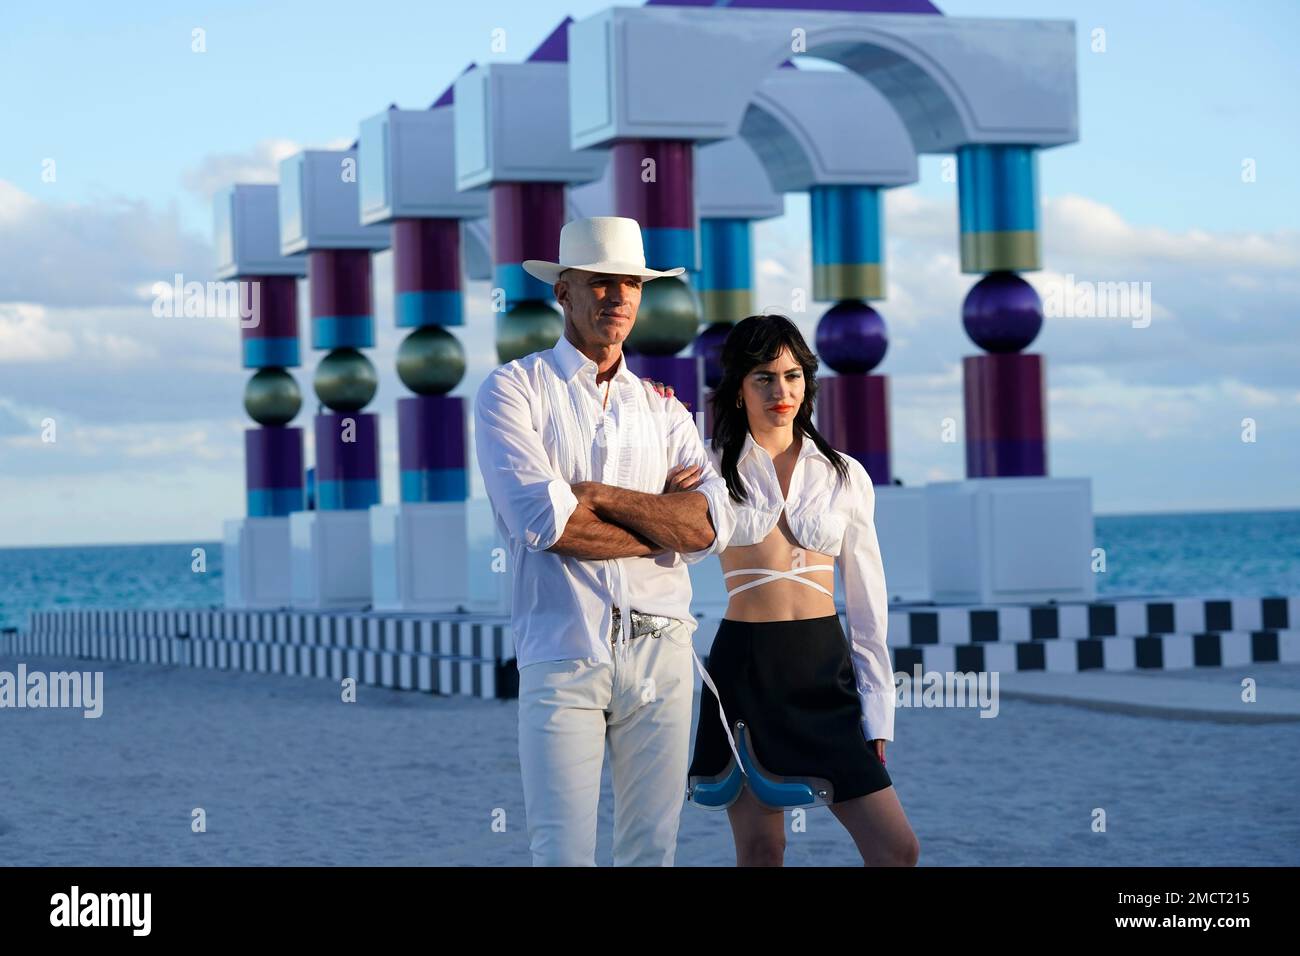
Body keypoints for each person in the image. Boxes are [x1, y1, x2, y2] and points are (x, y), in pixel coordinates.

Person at [473, 216, 735, 866]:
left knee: (653, 851)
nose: (617, 297)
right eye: (599, 283)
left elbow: (709, 526)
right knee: (561, 853)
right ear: (563, 292)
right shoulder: (512, 390)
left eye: (629, 284)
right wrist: (659, 525)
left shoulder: (665, 408)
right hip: (563, 649)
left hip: (662, 652)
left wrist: (599, 495)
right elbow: (549, 525)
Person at [676, 314, 920, 867]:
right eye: (762, 377)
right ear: (737, 388)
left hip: (822, 674)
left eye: (791, 375)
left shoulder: (844, 474)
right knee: (763, 850)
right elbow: (680, 555)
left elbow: (867, 602)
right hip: (745, 671)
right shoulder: (707, 467)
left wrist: (878, 709)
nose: (780, 391)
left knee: (896, 848)